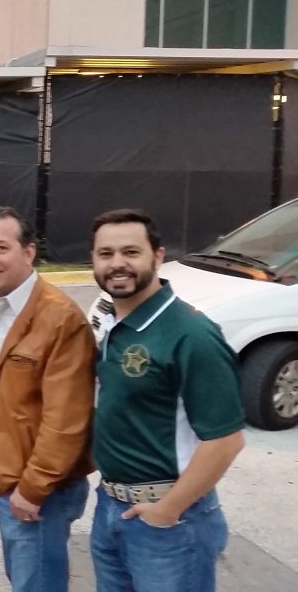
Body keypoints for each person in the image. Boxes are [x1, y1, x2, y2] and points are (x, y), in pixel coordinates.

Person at [88, 209, 245, 592]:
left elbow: (226, 440)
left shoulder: (191, 334)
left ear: (157, 256)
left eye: (130, 252)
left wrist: (167, 511)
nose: (117, 264)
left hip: (171, 521)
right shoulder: (111, 323)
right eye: (105, 254)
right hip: (112, 507)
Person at [0, 206, 96, 592]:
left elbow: (67, 419)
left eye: (0, 248)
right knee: (25, 577)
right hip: (8, 472)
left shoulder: (60, 318)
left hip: (40, 487)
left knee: (36, 583)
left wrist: (33, 488)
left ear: (28, 253)